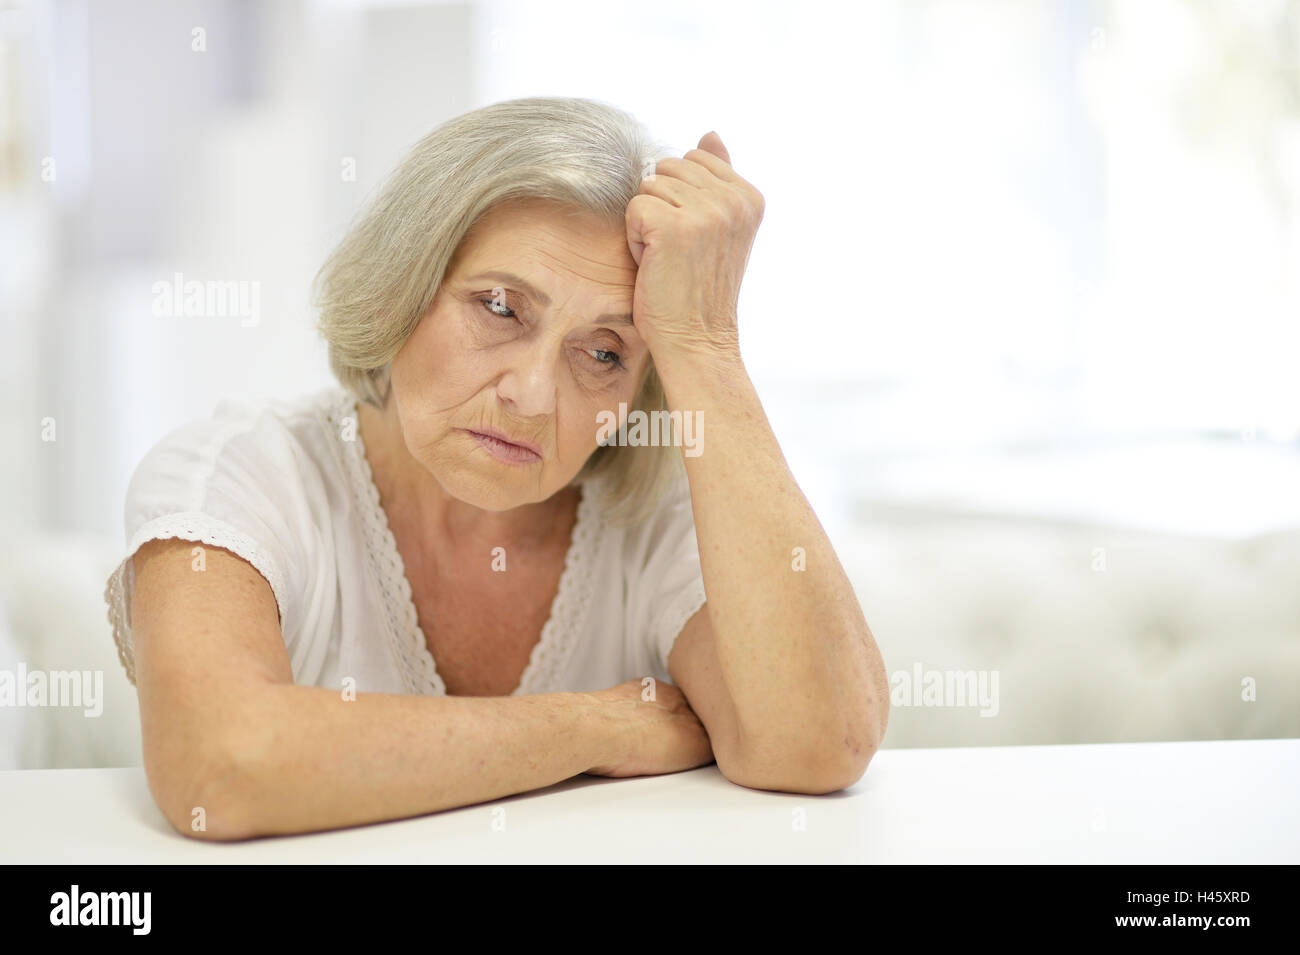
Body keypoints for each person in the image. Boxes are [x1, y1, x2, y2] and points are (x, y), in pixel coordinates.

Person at [103, 96, 890, 841]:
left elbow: (821, 744)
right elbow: (221, 764)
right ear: (397, 294)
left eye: (604, 352)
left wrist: (706, 344)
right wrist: (596, 725)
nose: (534, 395)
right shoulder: (239, 473)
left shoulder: (656, 515)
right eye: (501, 307)